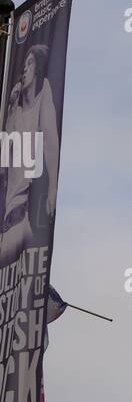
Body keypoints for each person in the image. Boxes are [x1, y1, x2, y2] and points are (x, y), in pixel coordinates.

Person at [0, 44, 60, 266]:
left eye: (29, 63)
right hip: (6, 224)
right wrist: (11, 110)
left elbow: (51, 141)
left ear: (38, 68)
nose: (24, 69)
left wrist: (53, 188)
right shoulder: (16, 112)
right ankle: (51, 301)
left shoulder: (43, 93)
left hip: (18, 220)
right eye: (23, 64)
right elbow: (3, 165)